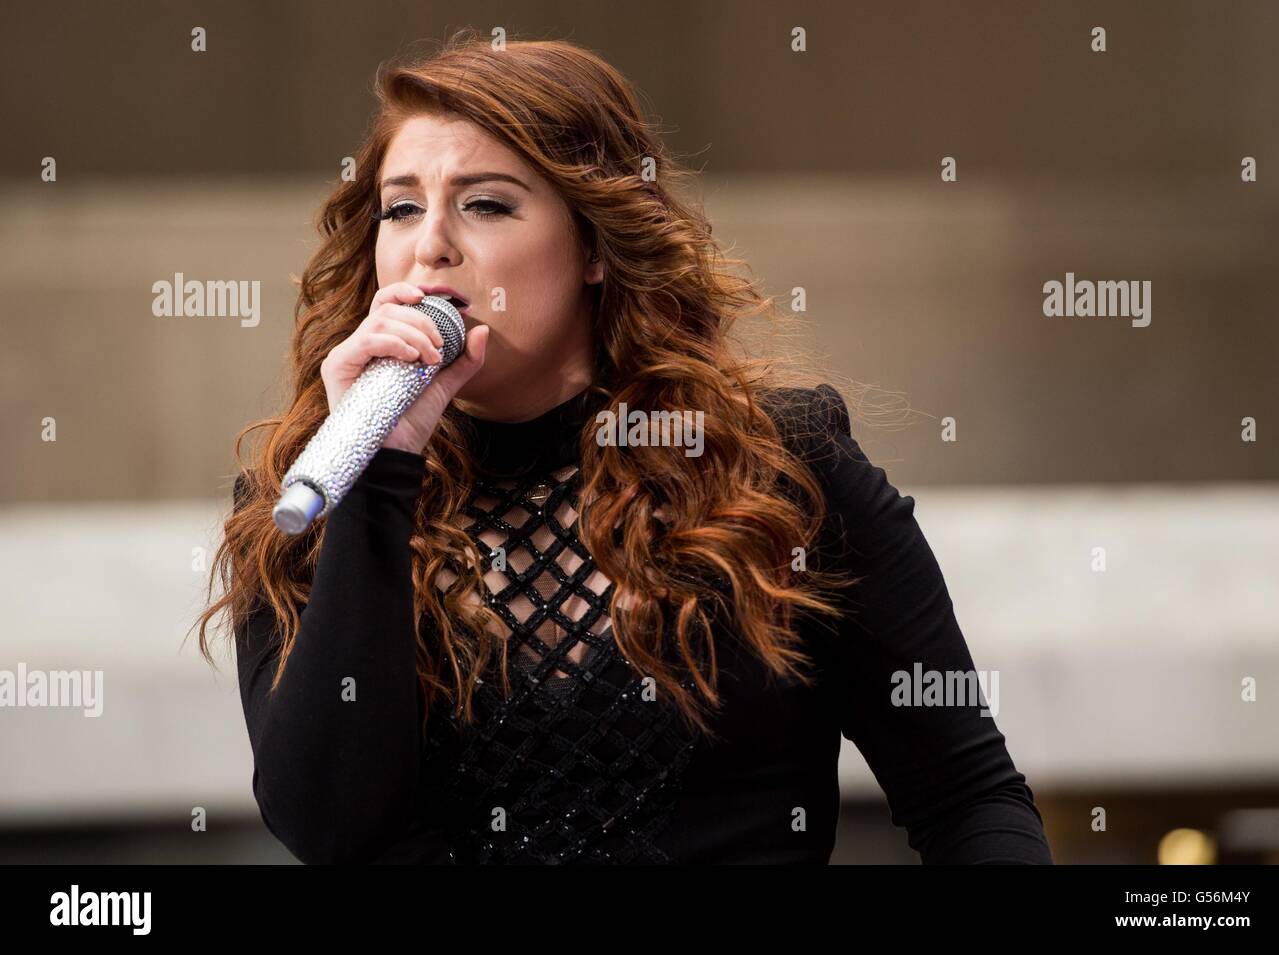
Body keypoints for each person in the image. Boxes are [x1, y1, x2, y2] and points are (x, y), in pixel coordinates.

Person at [196, 30, 1053, 865]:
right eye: (402, 207)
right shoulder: (303, 495)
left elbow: (967, 799)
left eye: (486, 203)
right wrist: (380, 478)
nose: (431, 246)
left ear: (595, 244)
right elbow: (328, 827)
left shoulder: (777, 470)